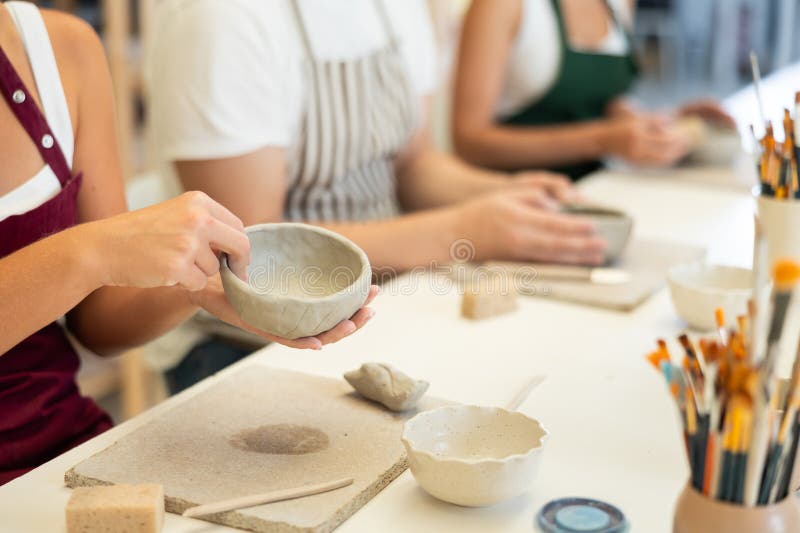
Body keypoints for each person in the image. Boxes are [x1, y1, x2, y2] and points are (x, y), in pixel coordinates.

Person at [0, 1, 376, 485]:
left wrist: (192, 285)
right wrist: (94, 251)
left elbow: (99, 324)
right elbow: (93, 258)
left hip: (59, 448)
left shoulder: (63, 49)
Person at [147, 0, 607, 272]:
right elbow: (253, 249)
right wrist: (462, 231)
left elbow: (411, 164)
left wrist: (510, 196)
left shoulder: (394, 7)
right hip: (250, 337)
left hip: (382, 289)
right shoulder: (220, 17)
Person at [452, 0, 736, 180]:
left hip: (594, 192)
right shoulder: (501, 6)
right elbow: (468, 141)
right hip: (511, 199)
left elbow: (605, 104)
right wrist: (602, 140)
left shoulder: (618, 5)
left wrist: (665, 121)